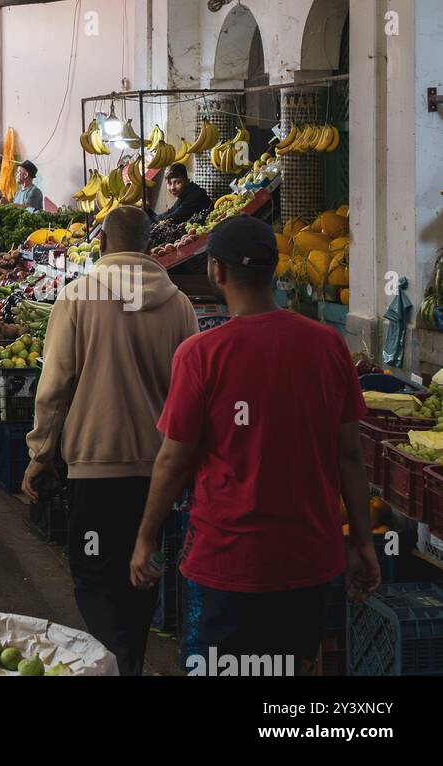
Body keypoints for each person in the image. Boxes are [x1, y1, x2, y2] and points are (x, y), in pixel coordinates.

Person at [129, 214, 380, 673]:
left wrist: (145, 538)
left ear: (216, 271)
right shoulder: (329, 346)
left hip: (229, 564)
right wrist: (363, 542)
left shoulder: (202, 354)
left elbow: (174, 459)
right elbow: (350, 456)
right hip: (310, 560)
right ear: (275, 270)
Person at [22, 205, 198, 676]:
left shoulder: (77, 298)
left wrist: (40, 453)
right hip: (156, 471)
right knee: (140, 574)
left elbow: (54, 385)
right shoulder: (178, 303)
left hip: (95, 467)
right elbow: (191, 393)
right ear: (148, 246)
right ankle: (130, 661)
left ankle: (115, 661)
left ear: (101, 243)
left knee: (93, 573)